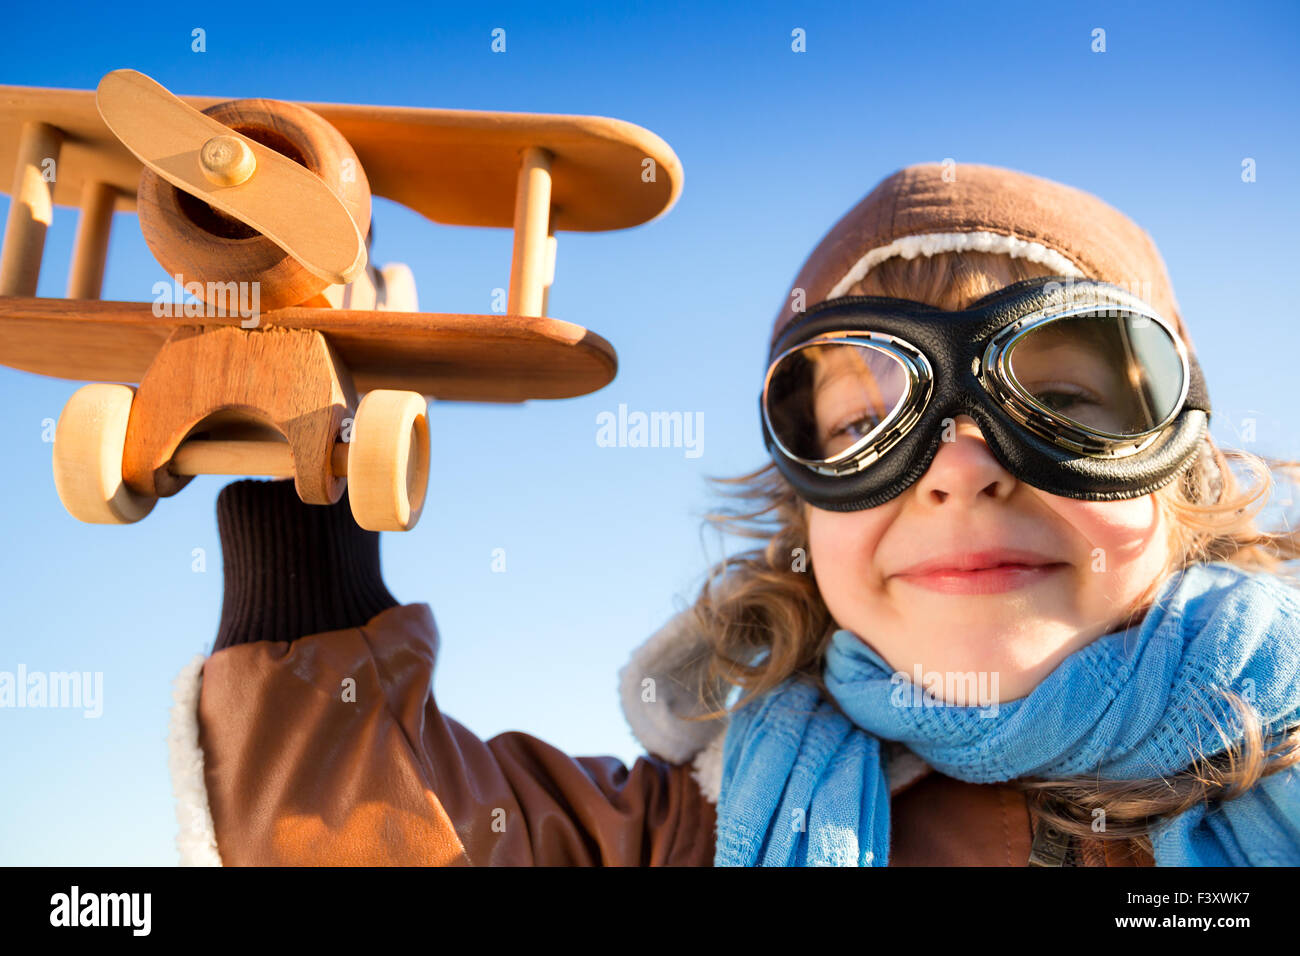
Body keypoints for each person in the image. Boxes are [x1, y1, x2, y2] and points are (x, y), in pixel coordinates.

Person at [169, 162, 1300, 866]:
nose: (959, 472)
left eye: (1059, 406)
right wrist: (304, 486)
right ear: (805, 520)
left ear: (1179, 471)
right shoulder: (702, 830)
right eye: (866, 427)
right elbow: (365, 832)